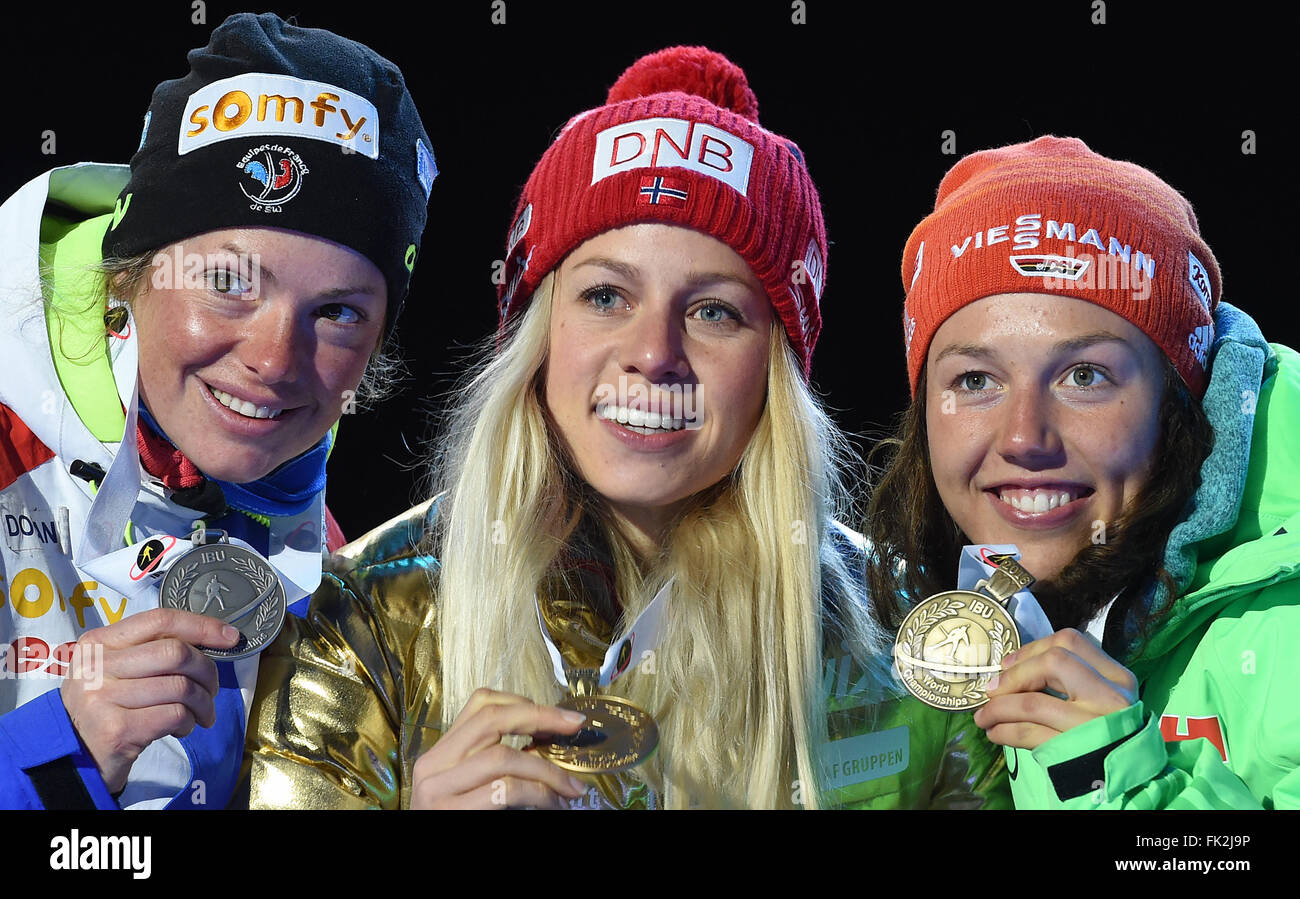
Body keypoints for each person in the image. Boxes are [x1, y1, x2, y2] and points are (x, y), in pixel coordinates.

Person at [243, 46, 1010, 809]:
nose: (654, 354)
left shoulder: (911, 638)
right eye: (607, 295)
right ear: (538, 335)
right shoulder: (353, 621)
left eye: (714, 311)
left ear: (777, 368)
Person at [0, 12, 436, 809]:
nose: (274, 360)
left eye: (338, 312)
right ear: (132, 271)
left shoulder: (319, 560)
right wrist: (52, 753)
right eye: (230, 280)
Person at [867, 135, 1298, 808]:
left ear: (1180, 399)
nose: (1023, 437)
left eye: (1085, 375)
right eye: (976, 378)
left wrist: (1124, 787)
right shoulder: (880, 640)